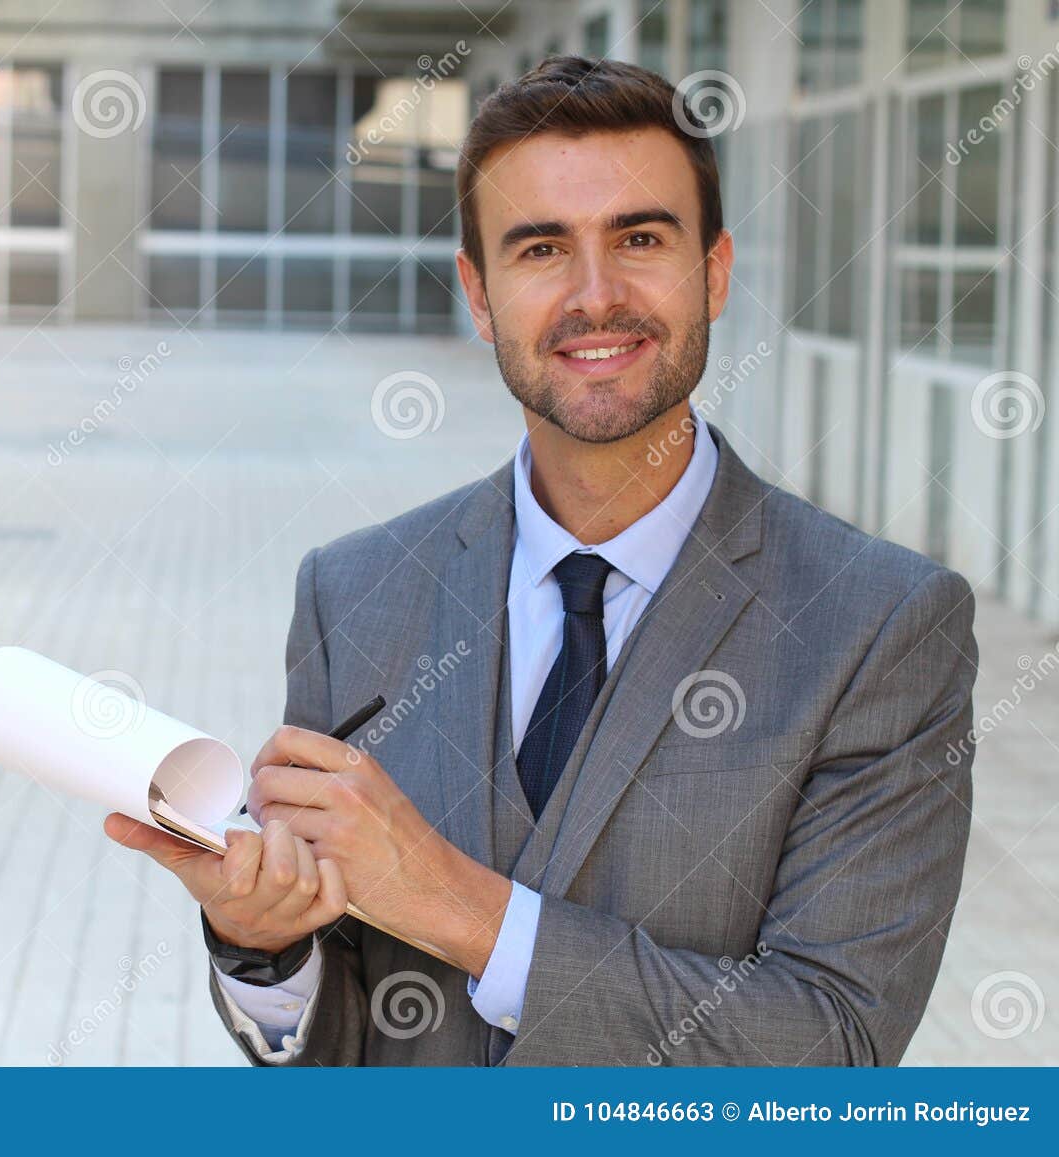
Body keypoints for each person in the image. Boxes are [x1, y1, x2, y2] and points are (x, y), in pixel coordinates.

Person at [106, 55, 977, 1066]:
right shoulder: (354, 593)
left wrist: (468, 910)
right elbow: (341, 1042)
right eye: (541, 249)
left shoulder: (876, 625)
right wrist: (266, 949)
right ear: (479, 295)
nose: (595, 296)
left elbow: (833, 1048)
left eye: (640, 238)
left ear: (715, 271)